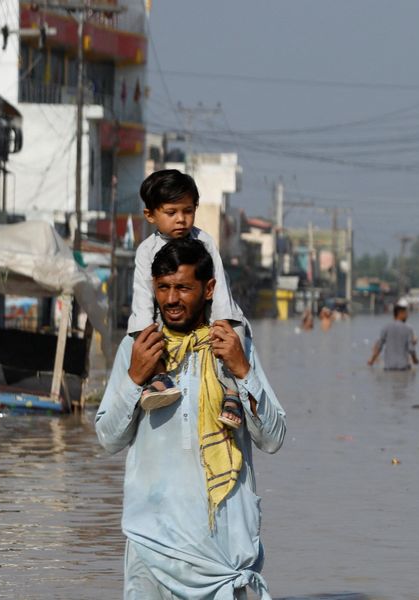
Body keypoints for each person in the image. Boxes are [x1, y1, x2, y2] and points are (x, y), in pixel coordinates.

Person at [96, 237, 286, 599]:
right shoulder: (136, 349)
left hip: (223, 551)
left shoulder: (234, 346)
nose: (170, 299)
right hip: (151, 546)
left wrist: (243, 372)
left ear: (209, 288)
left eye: (183, 288)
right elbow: (107, 438)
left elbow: (274, 437)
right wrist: (136, 378)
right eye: (163, 288)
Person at [129, 169, 247, 430]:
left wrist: (221, 322)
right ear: (150, 215)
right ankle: (159, 379)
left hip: (207, 313)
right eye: (171, 213)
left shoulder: (204, 241)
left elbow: (220, 289)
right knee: (146, 336)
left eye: (188, 211)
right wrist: (144, 329)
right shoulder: (146, 251)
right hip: (162, 319)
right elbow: (142, 297)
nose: (181, 220)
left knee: (232, 336)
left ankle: (232, 393)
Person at [367, 304, 419, 371]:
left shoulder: (386, 328)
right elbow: (411, 349)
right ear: (400, 314)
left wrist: (372, 360)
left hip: (388, 367)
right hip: (403, 367)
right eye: (406, 314)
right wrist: (415, 360)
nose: (407, 316)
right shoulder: (408, 329)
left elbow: (379, 346)